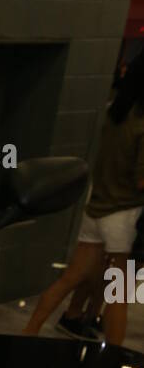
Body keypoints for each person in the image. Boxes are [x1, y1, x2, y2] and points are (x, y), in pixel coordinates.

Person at [25, 53, 144, 346]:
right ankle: (112, 362)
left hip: (95, 209)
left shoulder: (111, 113)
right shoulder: (142, 123)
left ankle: (28, 333)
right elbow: (141, 181)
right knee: (118, 295)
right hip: (124, 215)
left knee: (69, 278)